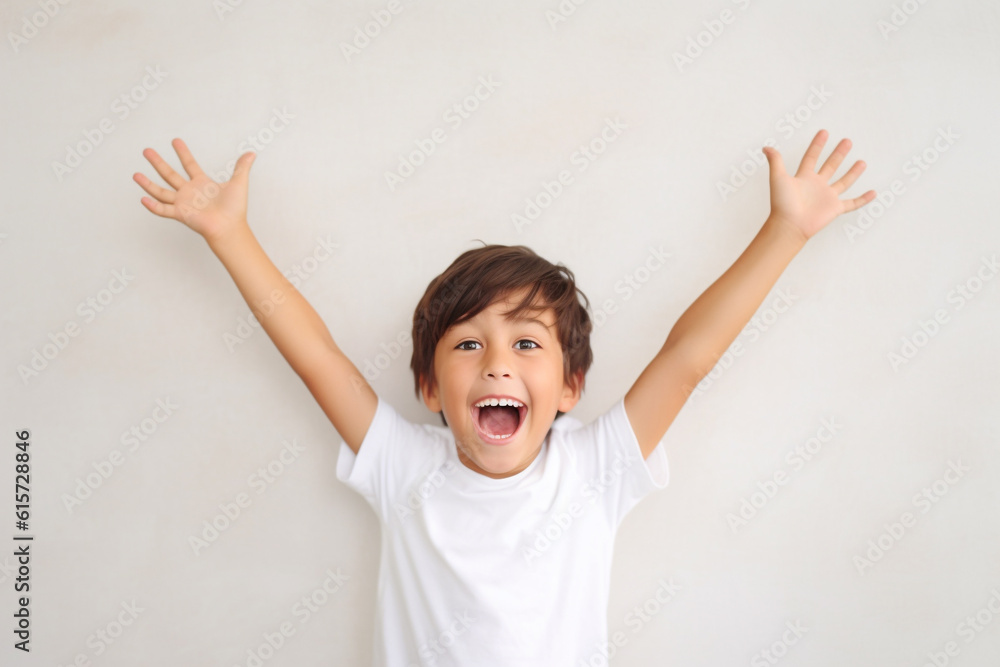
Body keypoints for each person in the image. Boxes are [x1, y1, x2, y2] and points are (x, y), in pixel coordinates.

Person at [133, 130, 874, 665]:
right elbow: (317, 359)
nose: (496, 364)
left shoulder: (595, 468)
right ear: (428, 387)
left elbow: (688, 356)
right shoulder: (403, 466)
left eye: (526, 343)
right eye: (467, 344)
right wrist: (228, 234)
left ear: (570, 387)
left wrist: (785, 231)